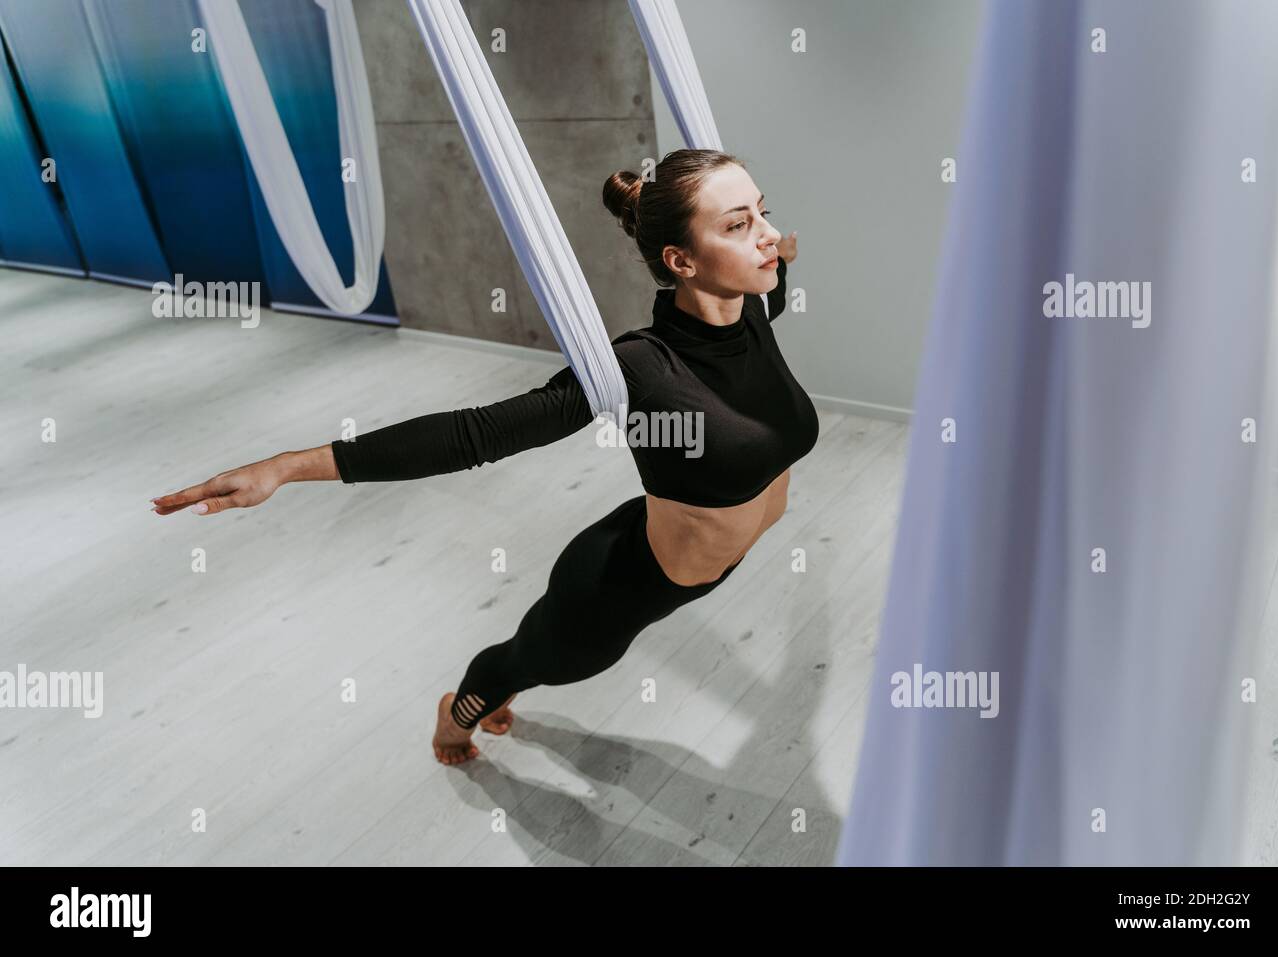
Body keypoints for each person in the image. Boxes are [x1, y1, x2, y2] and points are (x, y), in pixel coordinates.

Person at [151, 148, 817, 765]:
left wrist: (774, 256)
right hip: (620, 586)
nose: (767, 234)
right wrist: (287, 466)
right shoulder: (641, 368)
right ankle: (455, 713)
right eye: (738, 224)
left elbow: (776, 281)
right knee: (531, 662)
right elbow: (477, 433)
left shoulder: (751, 308)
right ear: (680, 260)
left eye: (763, 210)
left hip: (704, 559)